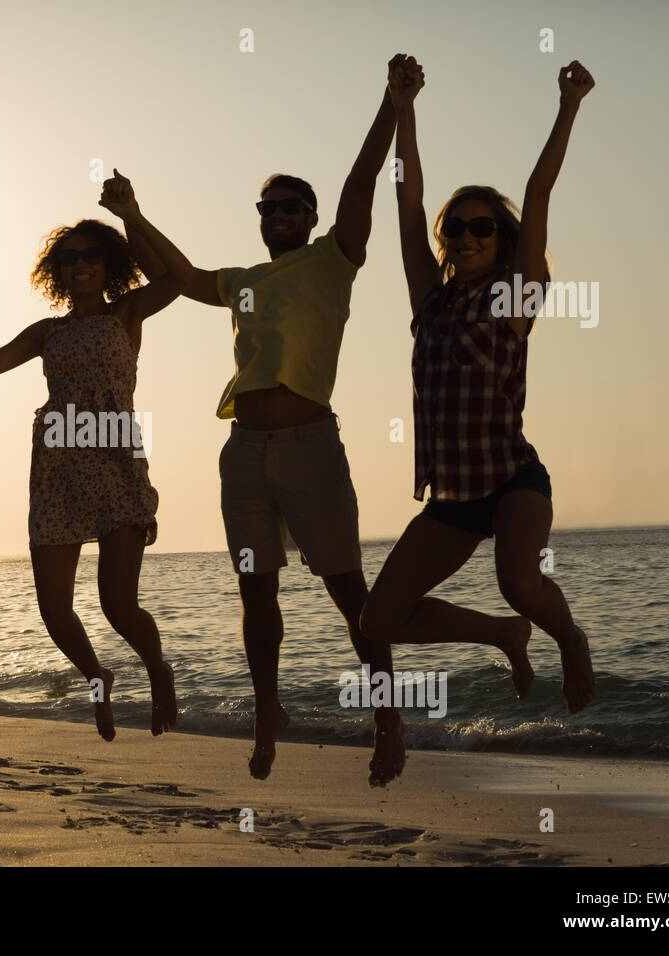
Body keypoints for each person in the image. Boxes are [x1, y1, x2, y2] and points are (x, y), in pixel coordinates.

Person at [137, 58, 410, 781]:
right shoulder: (246, 285)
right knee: (255, 589)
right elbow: (184, 276)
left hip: (311, 447)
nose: (279, 216)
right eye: (269, 208)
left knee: (351, 594)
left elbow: (359, 187)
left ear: (311, 218)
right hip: (245, 453)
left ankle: (389, 724)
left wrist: (390, 102)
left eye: (292, 206)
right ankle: (268, 711)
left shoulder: (333, 261)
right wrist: (131, 217)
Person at [358, 58, 599, 784]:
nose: (463, 237)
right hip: (454, 494)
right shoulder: (429, 300)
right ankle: (502, 636)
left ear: (500, 241)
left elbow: (537, 190)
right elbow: (408, 201)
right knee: (377, 622)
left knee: (521, 580)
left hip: (512, 476)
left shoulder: (514, 300)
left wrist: (569, 103)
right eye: (454, 229)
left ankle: (570, 640)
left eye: (480, 229)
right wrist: (403, 107)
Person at [0, 171, 190, 740]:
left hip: (117, 464)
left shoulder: (125, 314)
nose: (79, 264)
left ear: (108, 266)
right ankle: (98, 678)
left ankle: (158, 668)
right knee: (54, 608)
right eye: (69, 257)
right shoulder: (46, 331)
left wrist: (132, 214)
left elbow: (178, 277)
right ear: (58, 269)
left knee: (118, 608)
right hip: (57, 471)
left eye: (90, 257)